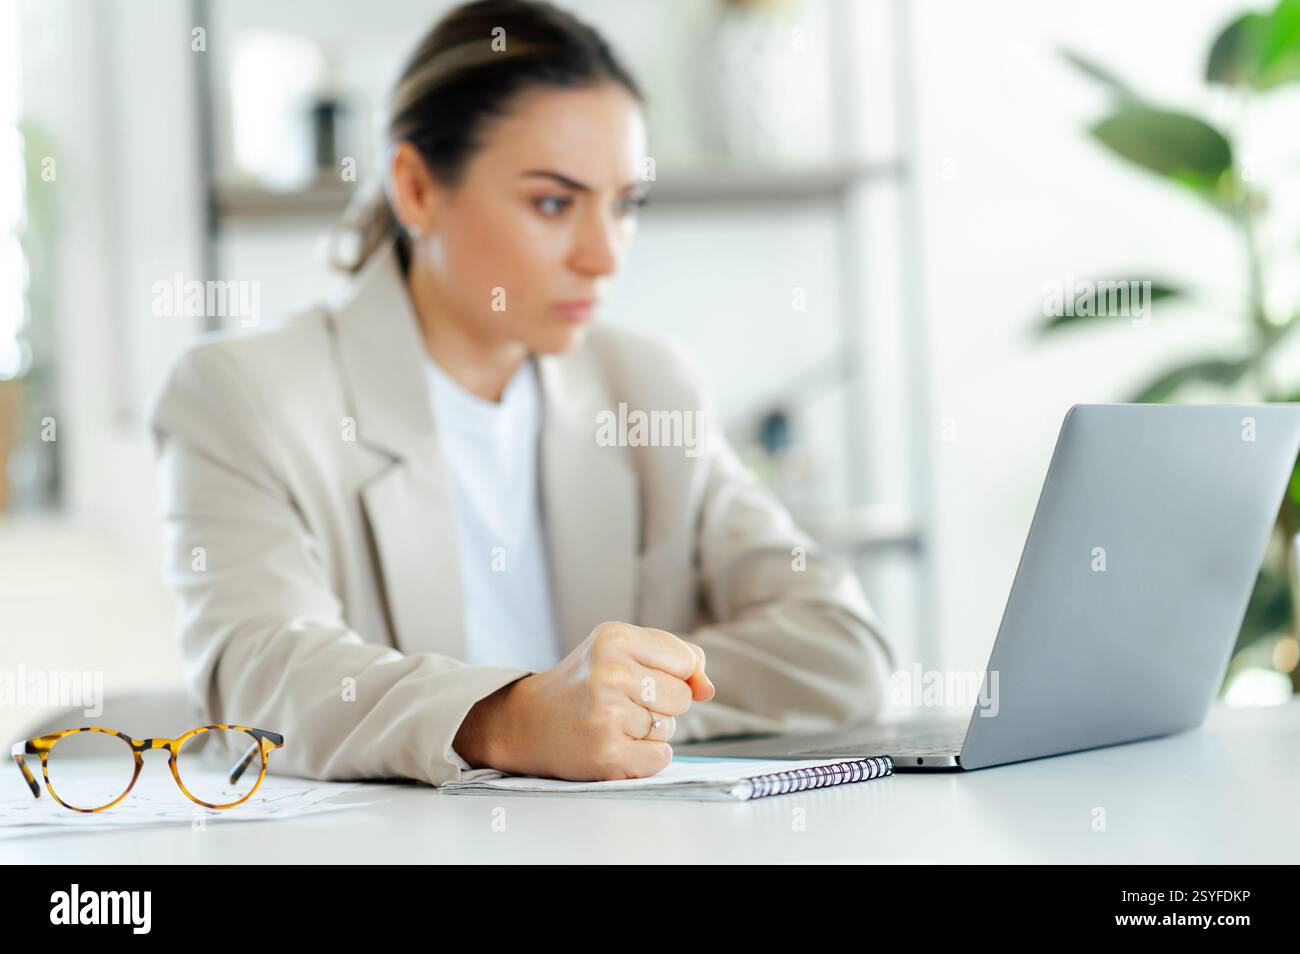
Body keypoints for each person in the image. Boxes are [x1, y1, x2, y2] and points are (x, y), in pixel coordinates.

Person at [149, 0, 893, 786]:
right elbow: (260, 672)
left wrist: (622, 711)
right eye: (553, 203)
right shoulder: (243, 395)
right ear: (416, 188)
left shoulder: (647, 388)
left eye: (626, 205)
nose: (605, 255)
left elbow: (839, 646)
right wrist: (507, 718)